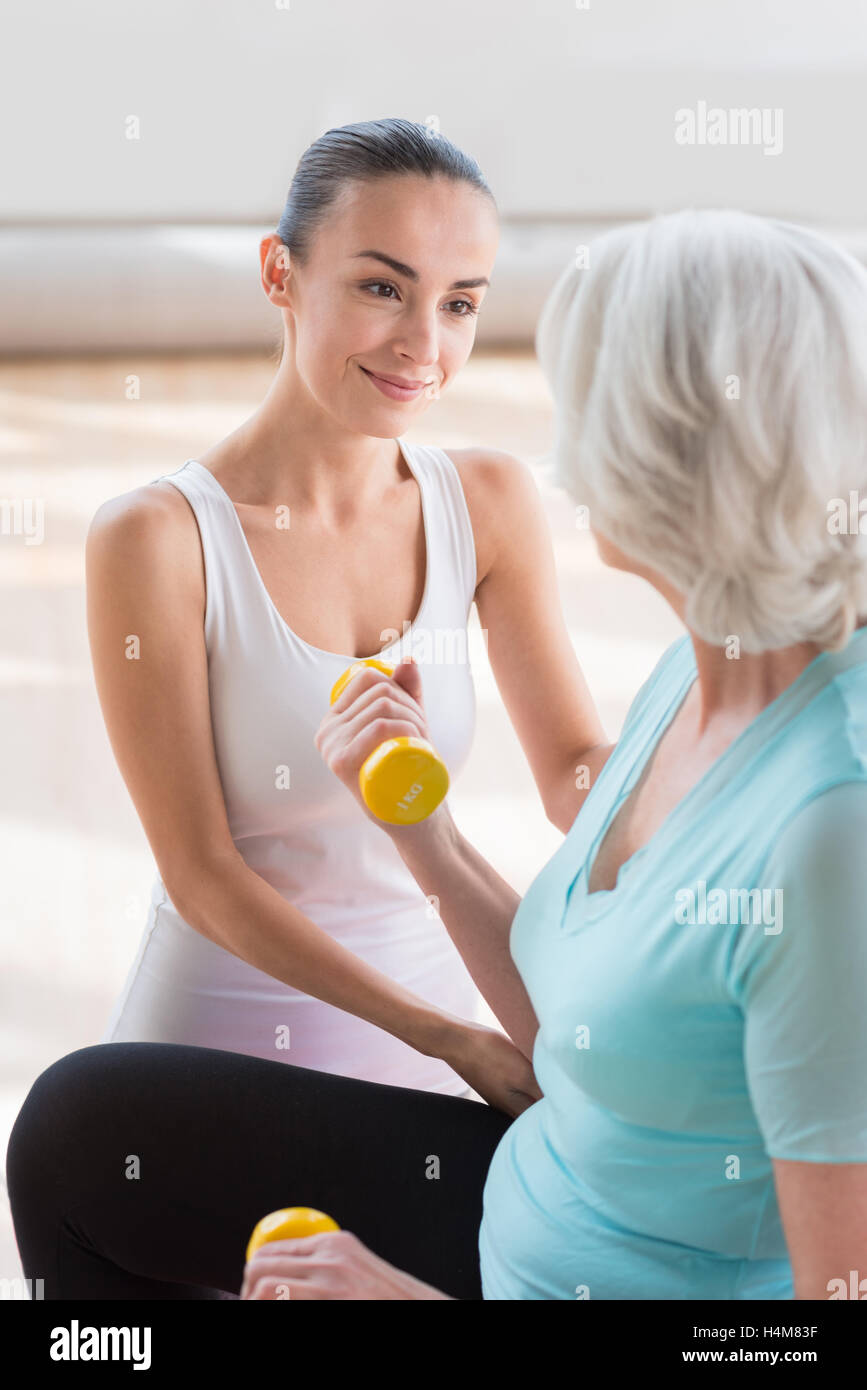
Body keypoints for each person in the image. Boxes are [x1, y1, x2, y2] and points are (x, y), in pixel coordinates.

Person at [9, 207, 867, 1300]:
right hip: (546, 1191)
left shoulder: (834, 831)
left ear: (668, 445)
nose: (563, 450)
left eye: (586, 400)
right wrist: (424, 832)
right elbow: (589, 1022)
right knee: (79, 1134)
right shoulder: (705, 672)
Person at [84, 117, 610, 1106]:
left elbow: (573, 772)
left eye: (460, 304)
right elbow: (200, 874)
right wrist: (447, 1037)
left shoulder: (488, 501)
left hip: (440, 1029)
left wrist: (721, 796)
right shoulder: (155, 538)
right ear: (280, 273)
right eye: (383, 288)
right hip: (219, 1051)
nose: (425, 344)